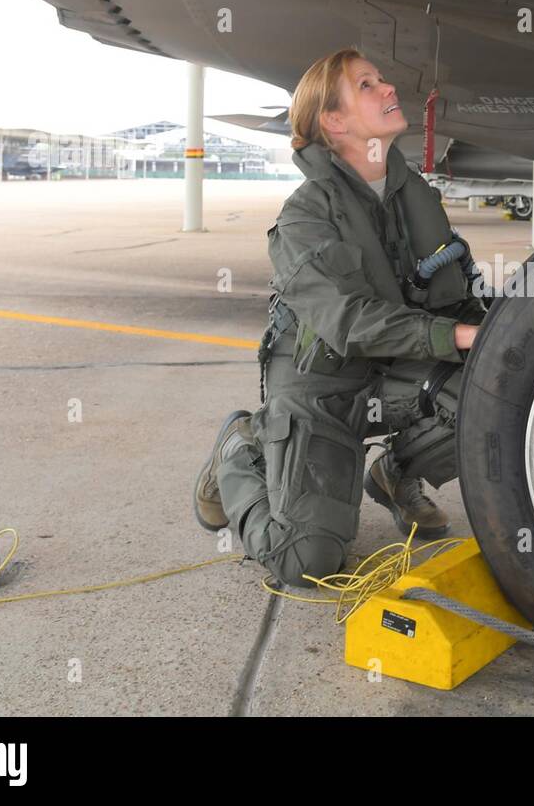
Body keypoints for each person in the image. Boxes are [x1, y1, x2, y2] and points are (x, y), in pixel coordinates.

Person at [191, 48, 484, 588]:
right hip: (320, 388)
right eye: (367, 85)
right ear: (334, 121)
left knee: (495, 383)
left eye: (381, 79)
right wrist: (456, 335)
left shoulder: (416, 197)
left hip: (392, 374)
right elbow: (347, 321)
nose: (389, 88)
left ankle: (395, 474)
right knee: (304, 562)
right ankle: (240, 449)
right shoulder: (305, 213)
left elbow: (451, 294)